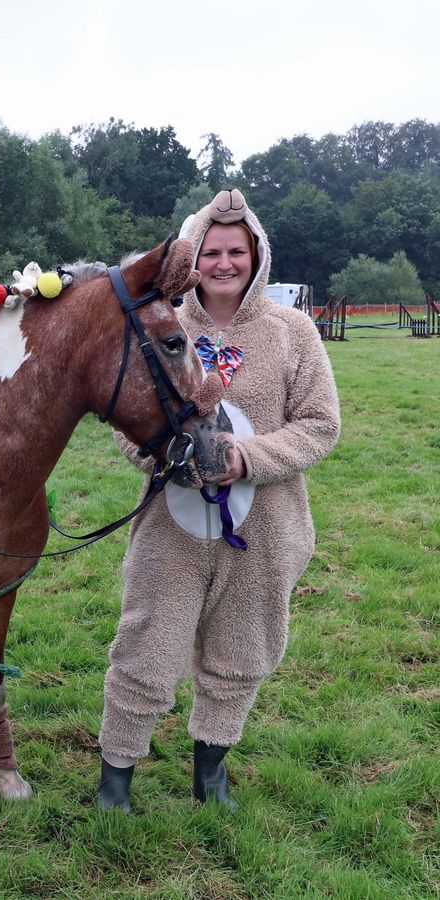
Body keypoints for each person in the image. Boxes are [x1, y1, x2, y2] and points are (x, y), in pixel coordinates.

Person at [95, 188, 341, 813]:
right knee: (150, 640)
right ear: (192, 255)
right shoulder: (163, 320)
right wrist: (163, 456)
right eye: (212, 251)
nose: (224, 263)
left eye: (237, 251)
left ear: (257, 255)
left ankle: (211, 773)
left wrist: (244, 457)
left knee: (243, 645)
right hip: (171, 525)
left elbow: (319, 424)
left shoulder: (292, 332)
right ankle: (116, 778)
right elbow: (130, 415)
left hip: (266, 524)